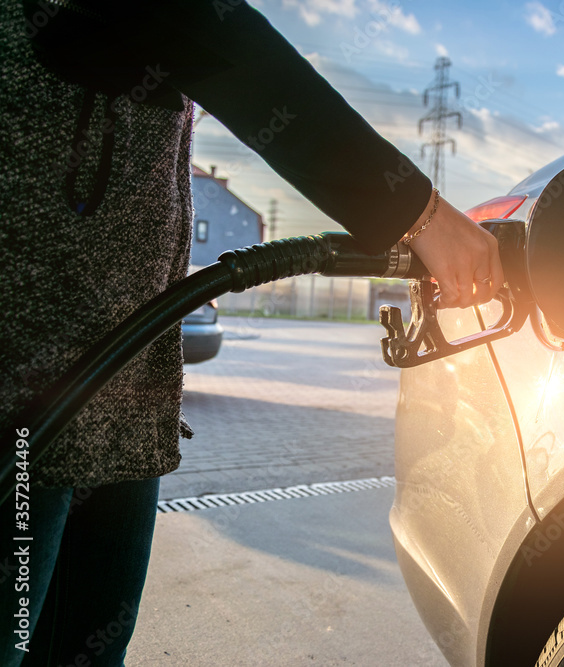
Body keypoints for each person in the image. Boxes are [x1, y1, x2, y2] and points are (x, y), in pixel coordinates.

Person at [0, 0, 502, 663]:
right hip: (28, 382)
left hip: (123, 386)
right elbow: (207, 25)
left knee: (89, 647)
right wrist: (418, 212)